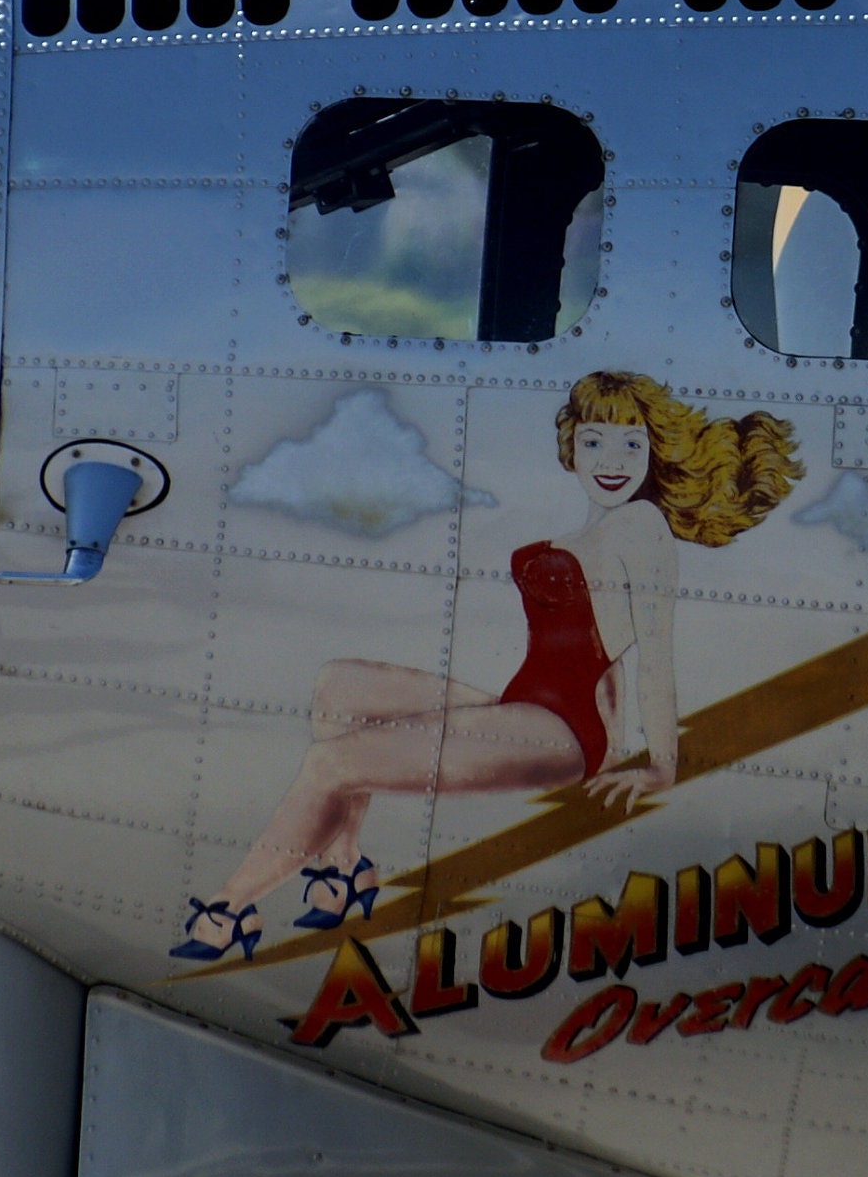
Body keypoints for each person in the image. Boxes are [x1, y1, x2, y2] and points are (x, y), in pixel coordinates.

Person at [174, 371, 801, 961]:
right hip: (526, 705)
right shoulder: (599, 525)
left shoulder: (642, 528)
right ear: (572, 448)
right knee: (338, 686)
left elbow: (654, 656)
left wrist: (659, 764)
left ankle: (230, 910)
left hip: (561, 728)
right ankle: (344, 871)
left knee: (329, 764)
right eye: (594, 441)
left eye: (630, 446)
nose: (610, 462)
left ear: (653, 451)